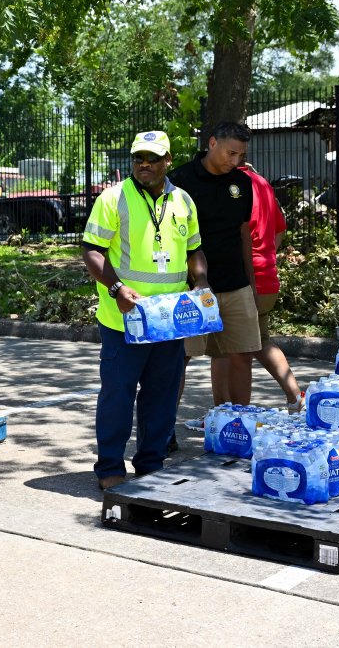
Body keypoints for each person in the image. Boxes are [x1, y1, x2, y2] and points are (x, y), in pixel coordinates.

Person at [82, 130, 208, 490]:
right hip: (123, 319)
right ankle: (109, 466)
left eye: (153, 158)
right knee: (118, 393)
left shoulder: (183, 200)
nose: (144, 165)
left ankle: (151, 462)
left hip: (168, 319)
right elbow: (91, 250)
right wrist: (117, 287)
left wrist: (200, 282)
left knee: (162, 394)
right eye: (138, 158)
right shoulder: (113, 198)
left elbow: (194, 249)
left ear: (168, 161)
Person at [169, 122, 260, 406]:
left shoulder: (243, 183)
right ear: (211, 143)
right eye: (230, 153)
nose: (235, 161)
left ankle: (240, 423)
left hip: (235, 284)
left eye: (240, 156)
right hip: (189, 288)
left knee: (243, 354)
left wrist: (251, 279)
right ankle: (164, 429)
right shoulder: (178, 180)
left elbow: (244, 231)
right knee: (178, 359)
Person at [243, 161, 303, 411]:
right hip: (267, 276)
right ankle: (295, 397)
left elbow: (239, 233)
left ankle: (227, 413)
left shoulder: (231, 186)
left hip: (245, 280)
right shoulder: (264, 185)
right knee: (260, 341)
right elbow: (280, 229)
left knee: (231, 351)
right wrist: (266, 254)